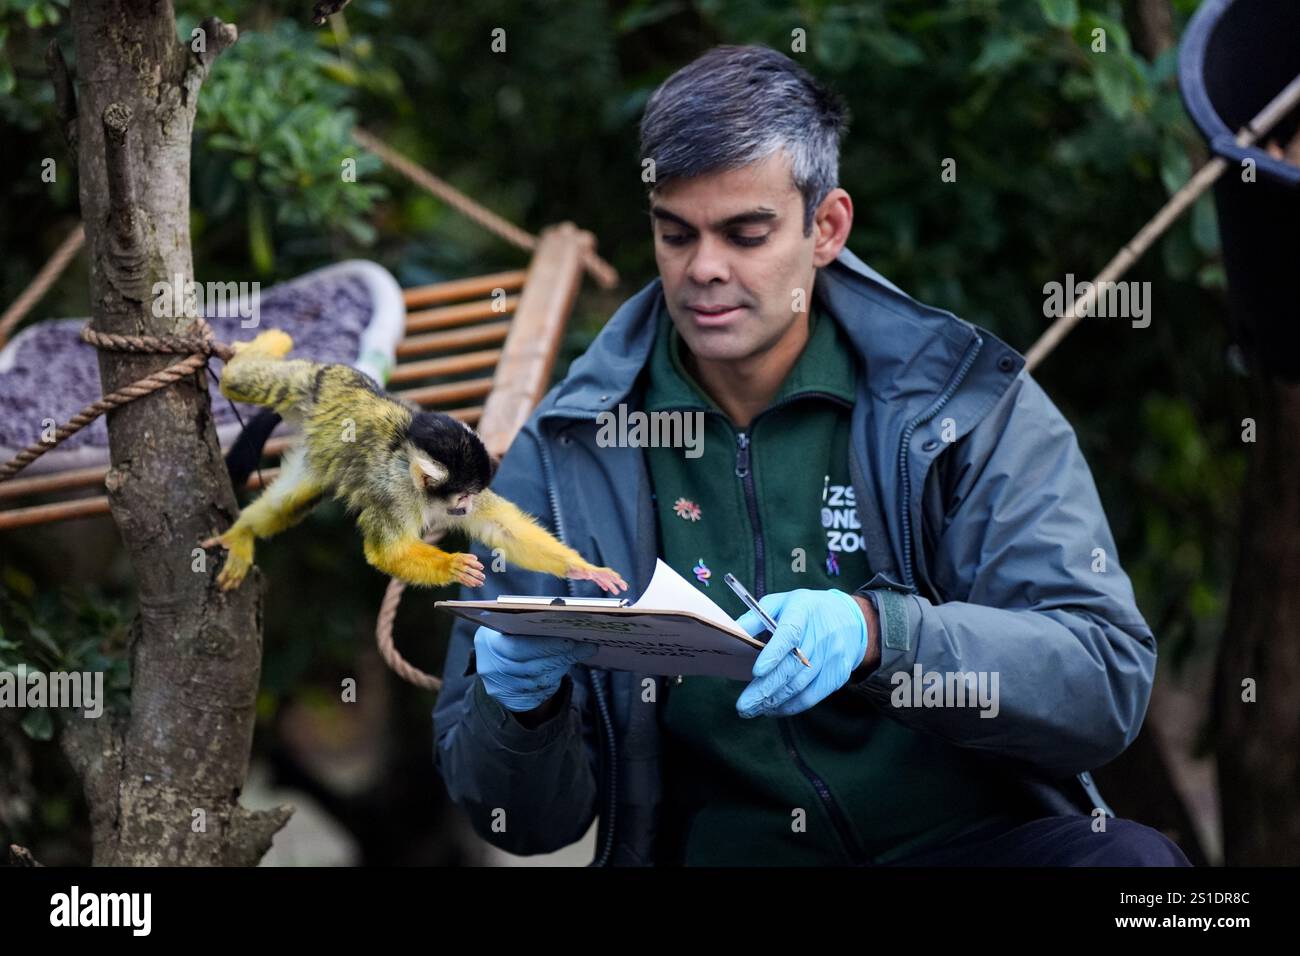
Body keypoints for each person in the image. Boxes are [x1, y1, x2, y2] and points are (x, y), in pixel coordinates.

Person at [432, 43, 1190, 867]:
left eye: (745, 233)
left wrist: (879, 631)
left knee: (1135, 873)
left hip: (967, 847)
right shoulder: (569, 445)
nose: (705, 270)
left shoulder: (961, 401)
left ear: (826, 227)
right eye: (675, 234)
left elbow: (1102, 679)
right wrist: (518, 711)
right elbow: (521, 824)